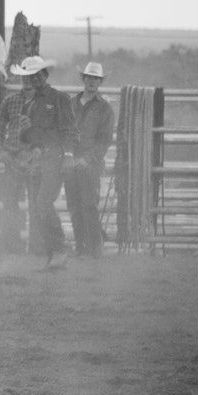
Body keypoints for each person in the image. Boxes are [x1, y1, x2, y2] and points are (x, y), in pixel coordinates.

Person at [0, 55, 78, 266]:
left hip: (54, 157)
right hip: (37, 159)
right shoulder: (29, 104)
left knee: (42, 203)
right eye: (29, 76)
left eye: (37, 75)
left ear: (45, 75)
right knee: (39, 207)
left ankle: (59, 249)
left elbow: (69, 130)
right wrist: (26, 135)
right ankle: (53, 253)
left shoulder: (60, 99)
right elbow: (27, 137)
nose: (34, 79)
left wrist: (68, 155)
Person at [64, 61, 116, 257]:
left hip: (91, 164)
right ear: (83, 79)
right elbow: (64, 130)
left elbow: (104, 139)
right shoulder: (70, 104)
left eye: (96, 78)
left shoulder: (105, 109)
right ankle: (80, 246)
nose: (92, 81)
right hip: (70, 162)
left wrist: (87, 159)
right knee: (74, 206)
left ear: (100, 82)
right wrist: (68, 155)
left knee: (89, 204)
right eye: (89, 77)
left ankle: (95, 248)